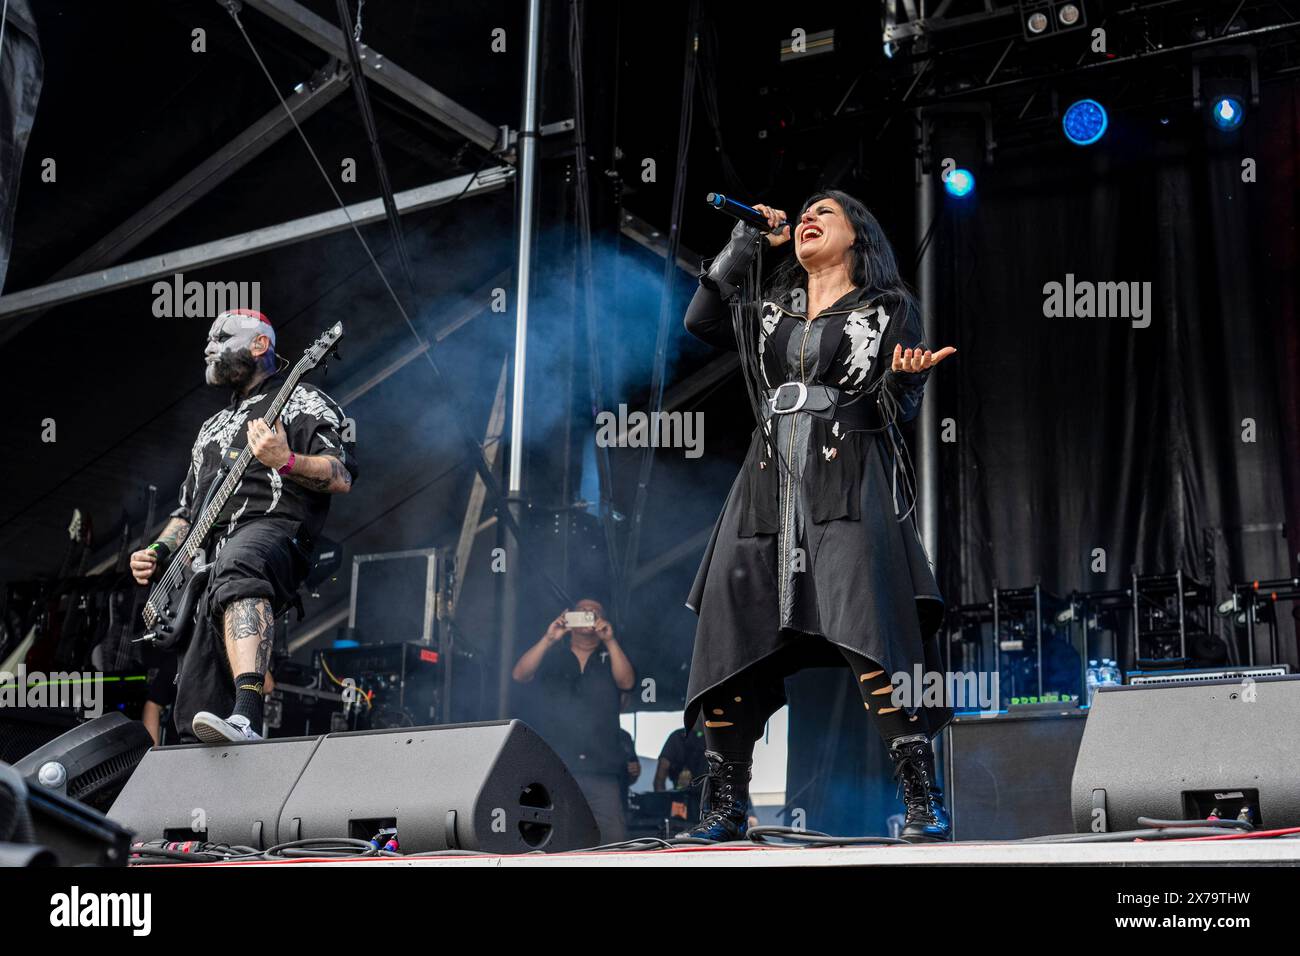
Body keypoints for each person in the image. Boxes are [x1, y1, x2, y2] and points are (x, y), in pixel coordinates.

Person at [681, 190, 957, 842]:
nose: (808, 217)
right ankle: (726, 806)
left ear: (858, 235)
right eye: (803, 213)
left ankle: (922, 801)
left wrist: (907, 382)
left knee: (872, 629)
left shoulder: (888, 309)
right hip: (767, 481)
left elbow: (893, 409)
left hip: (845, 474)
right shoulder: (771, 310)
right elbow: (702, 319)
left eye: (824, 213)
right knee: (730, 629)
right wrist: (749, 242)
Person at [129, 309, 357, 744]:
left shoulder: (303, 400)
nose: (209, 347)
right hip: (206, 565)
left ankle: (248, 714)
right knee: (194, 710)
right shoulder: (209, 429)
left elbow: (341, 475)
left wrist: (286, 461)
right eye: (208, 341)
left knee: (240, 561)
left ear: (259, 346)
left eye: (222, 337)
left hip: (273, 531)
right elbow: (184, 513)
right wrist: (156, 553)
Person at [512, 598, 635, 844]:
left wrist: (609, 640)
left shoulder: (611, 656)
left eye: (596, 612)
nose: (589, 614)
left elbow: (627, 683)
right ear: (570, 618)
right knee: (555, 837)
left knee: (613, 840)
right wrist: (549, 638)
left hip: (602, 768)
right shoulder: (553, 655)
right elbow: (520, 674)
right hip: (557, 765)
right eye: (583, 611)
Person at [655, 716, 708, 790]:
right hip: (683, 796)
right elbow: (660, 778)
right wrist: (661, 800)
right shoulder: (677, 737)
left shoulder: (719, 740)